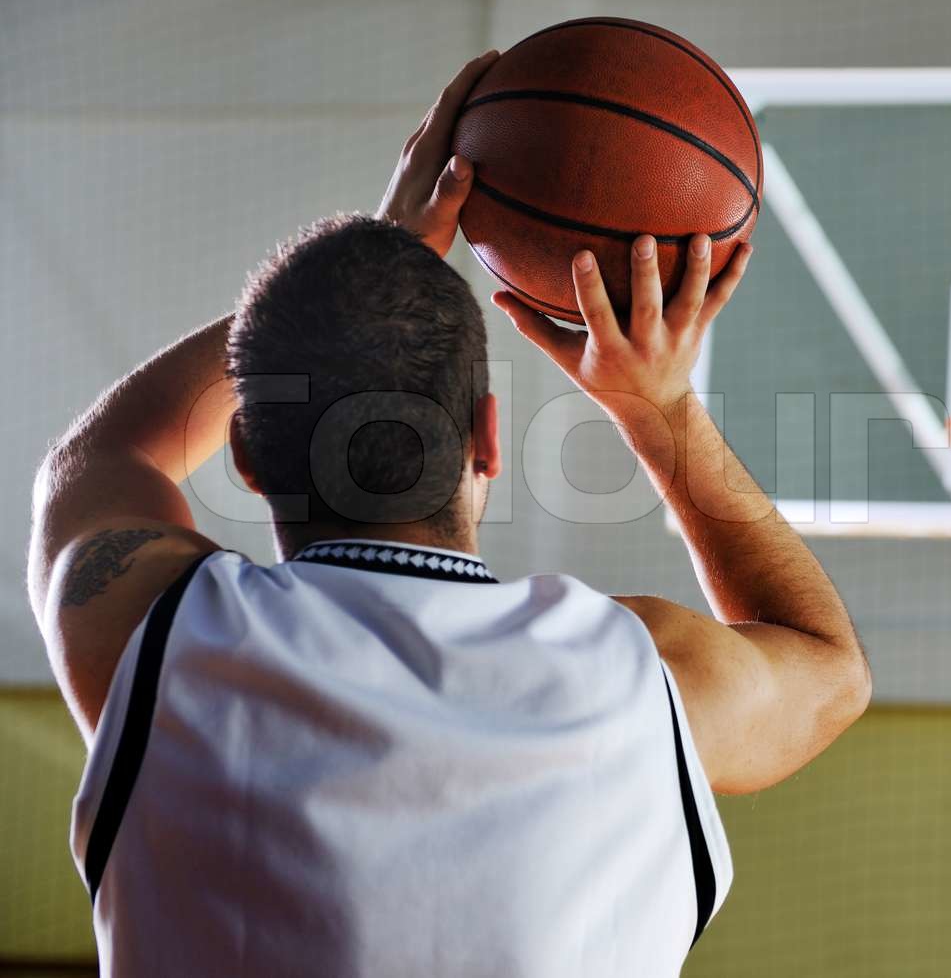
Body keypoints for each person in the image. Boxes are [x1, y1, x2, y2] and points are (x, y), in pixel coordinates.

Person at [27, 51, 871, 977]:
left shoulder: (160, 637)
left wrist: (377, 254)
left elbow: (103, 458)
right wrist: (658, 406)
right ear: (487, 437)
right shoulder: (642, 681)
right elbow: (829, 668)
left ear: (245, 454)